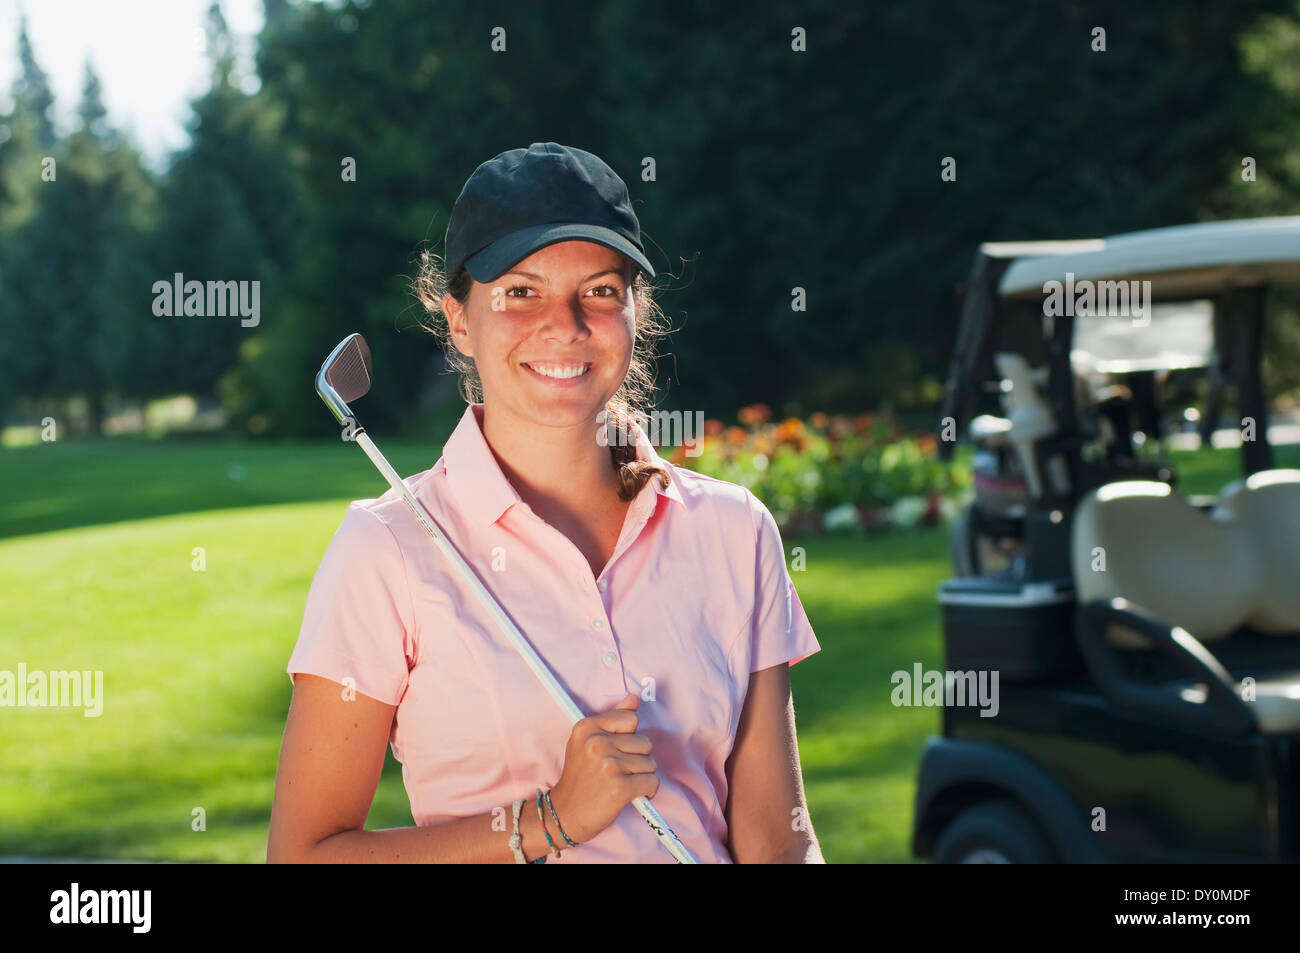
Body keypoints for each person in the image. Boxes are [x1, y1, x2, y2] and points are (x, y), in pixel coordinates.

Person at [268, 142, 823, 863]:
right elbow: (303, 854)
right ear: (460, 321)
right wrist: (551, 819)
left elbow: (779, 843)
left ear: (633, 311)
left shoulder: (734, 530)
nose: (565, 324)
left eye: (599, 290)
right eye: (520, 292)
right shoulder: (388, 550)